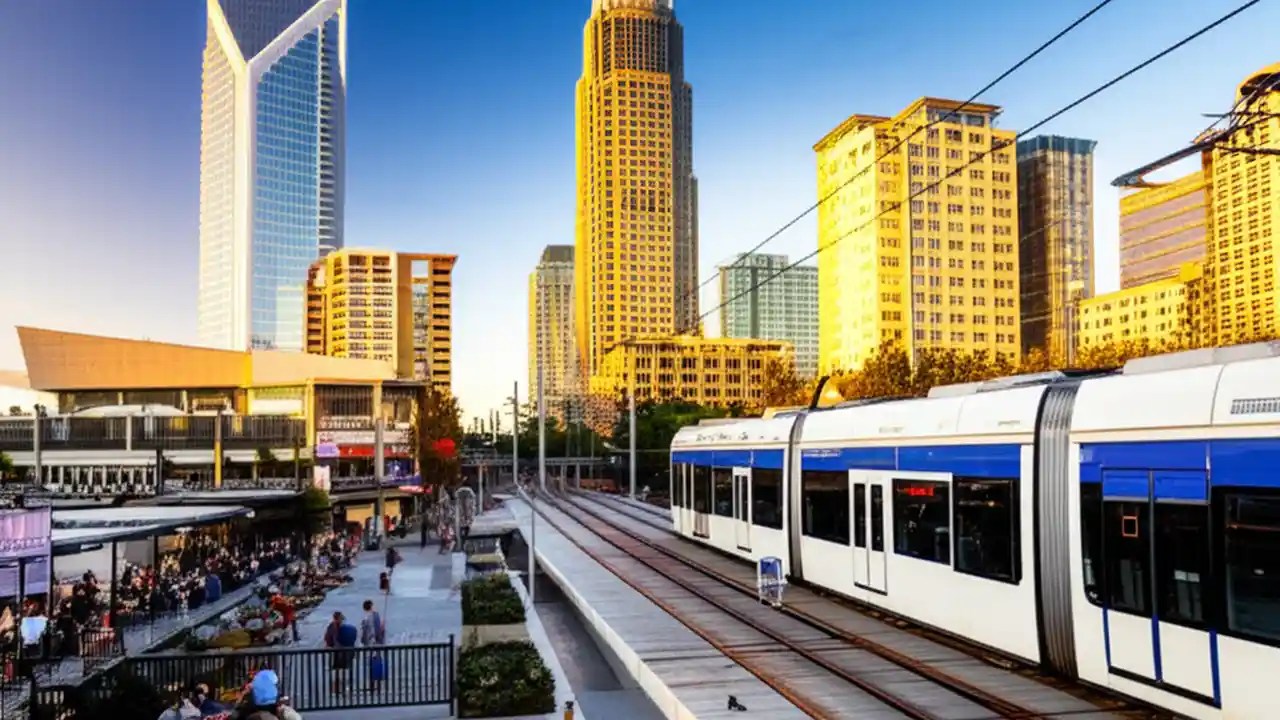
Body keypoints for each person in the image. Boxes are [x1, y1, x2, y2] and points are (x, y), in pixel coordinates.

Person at [323, 611, 358, 696]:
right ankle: (348, 688)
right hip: (347, 650)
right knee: (348, 669)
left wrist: (329, 646)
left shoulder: (332, 626)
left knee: (338, 670)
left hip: (337, 651)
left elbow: (327, 638)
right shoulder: (345, 626)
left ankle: (338, 688)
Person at [361, 599, 387, 693]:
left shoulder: (366, 618)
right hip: (377, 643)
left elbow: (365, 633)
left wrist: (364, 642)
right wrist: (382, 630)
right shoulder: (376, 615)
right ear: (371, 606)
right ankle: (378, 686)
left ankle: (372, 686)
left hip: (370, 644)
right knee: (377, 663)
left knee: (371, 665)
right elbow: (378, 631)